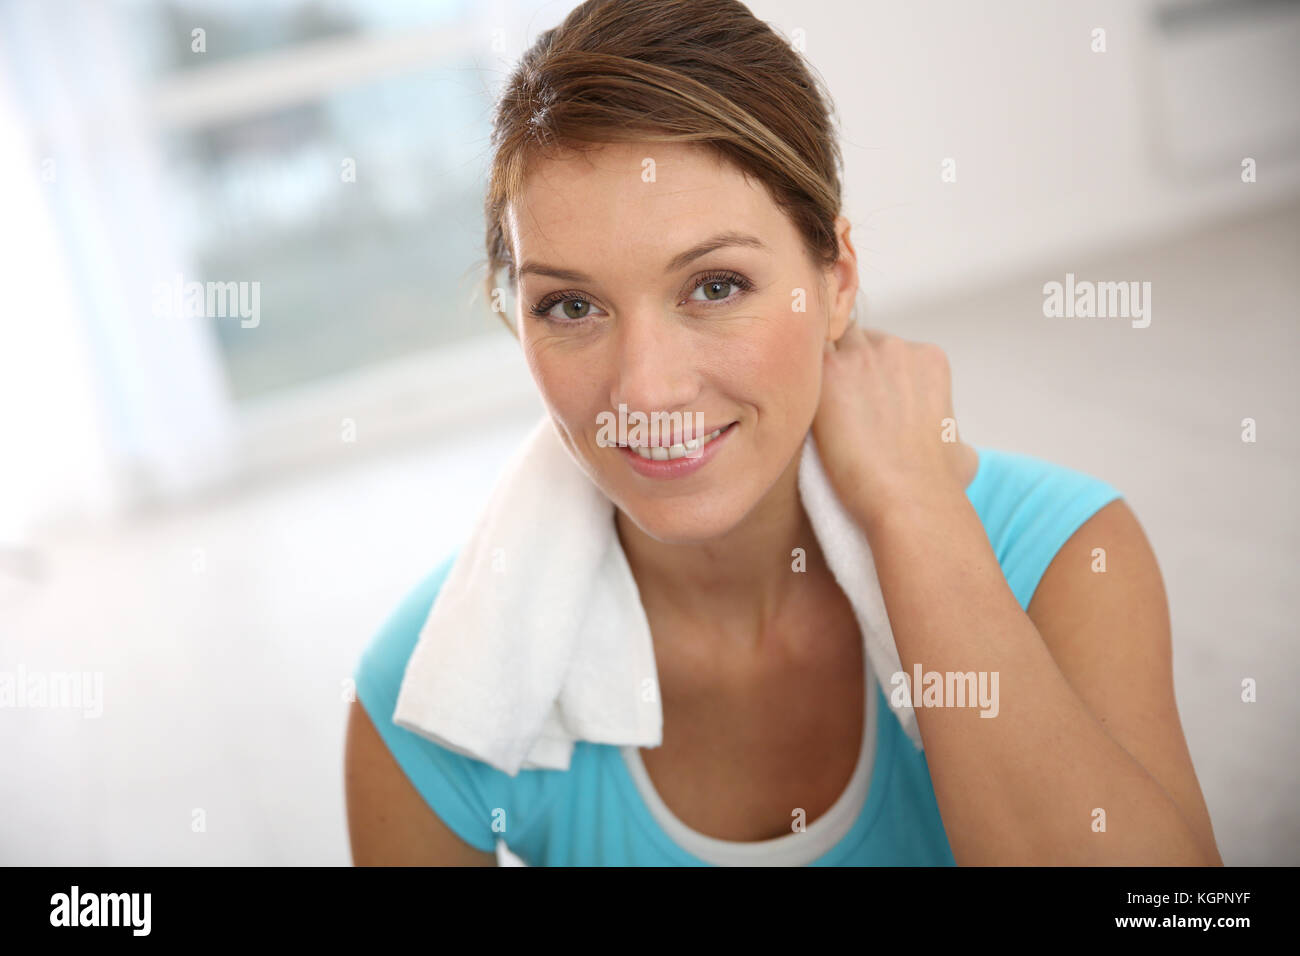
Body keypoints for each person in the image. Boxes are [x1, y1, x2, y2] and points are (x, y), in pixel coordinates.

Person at [344, 0, 1221, 866]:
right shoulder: (429, 697)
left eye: (715, 285)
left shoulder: (1065, 560)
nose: (646, 389)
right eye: (571, 306)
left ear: (835, 279)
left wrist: (915, 510)